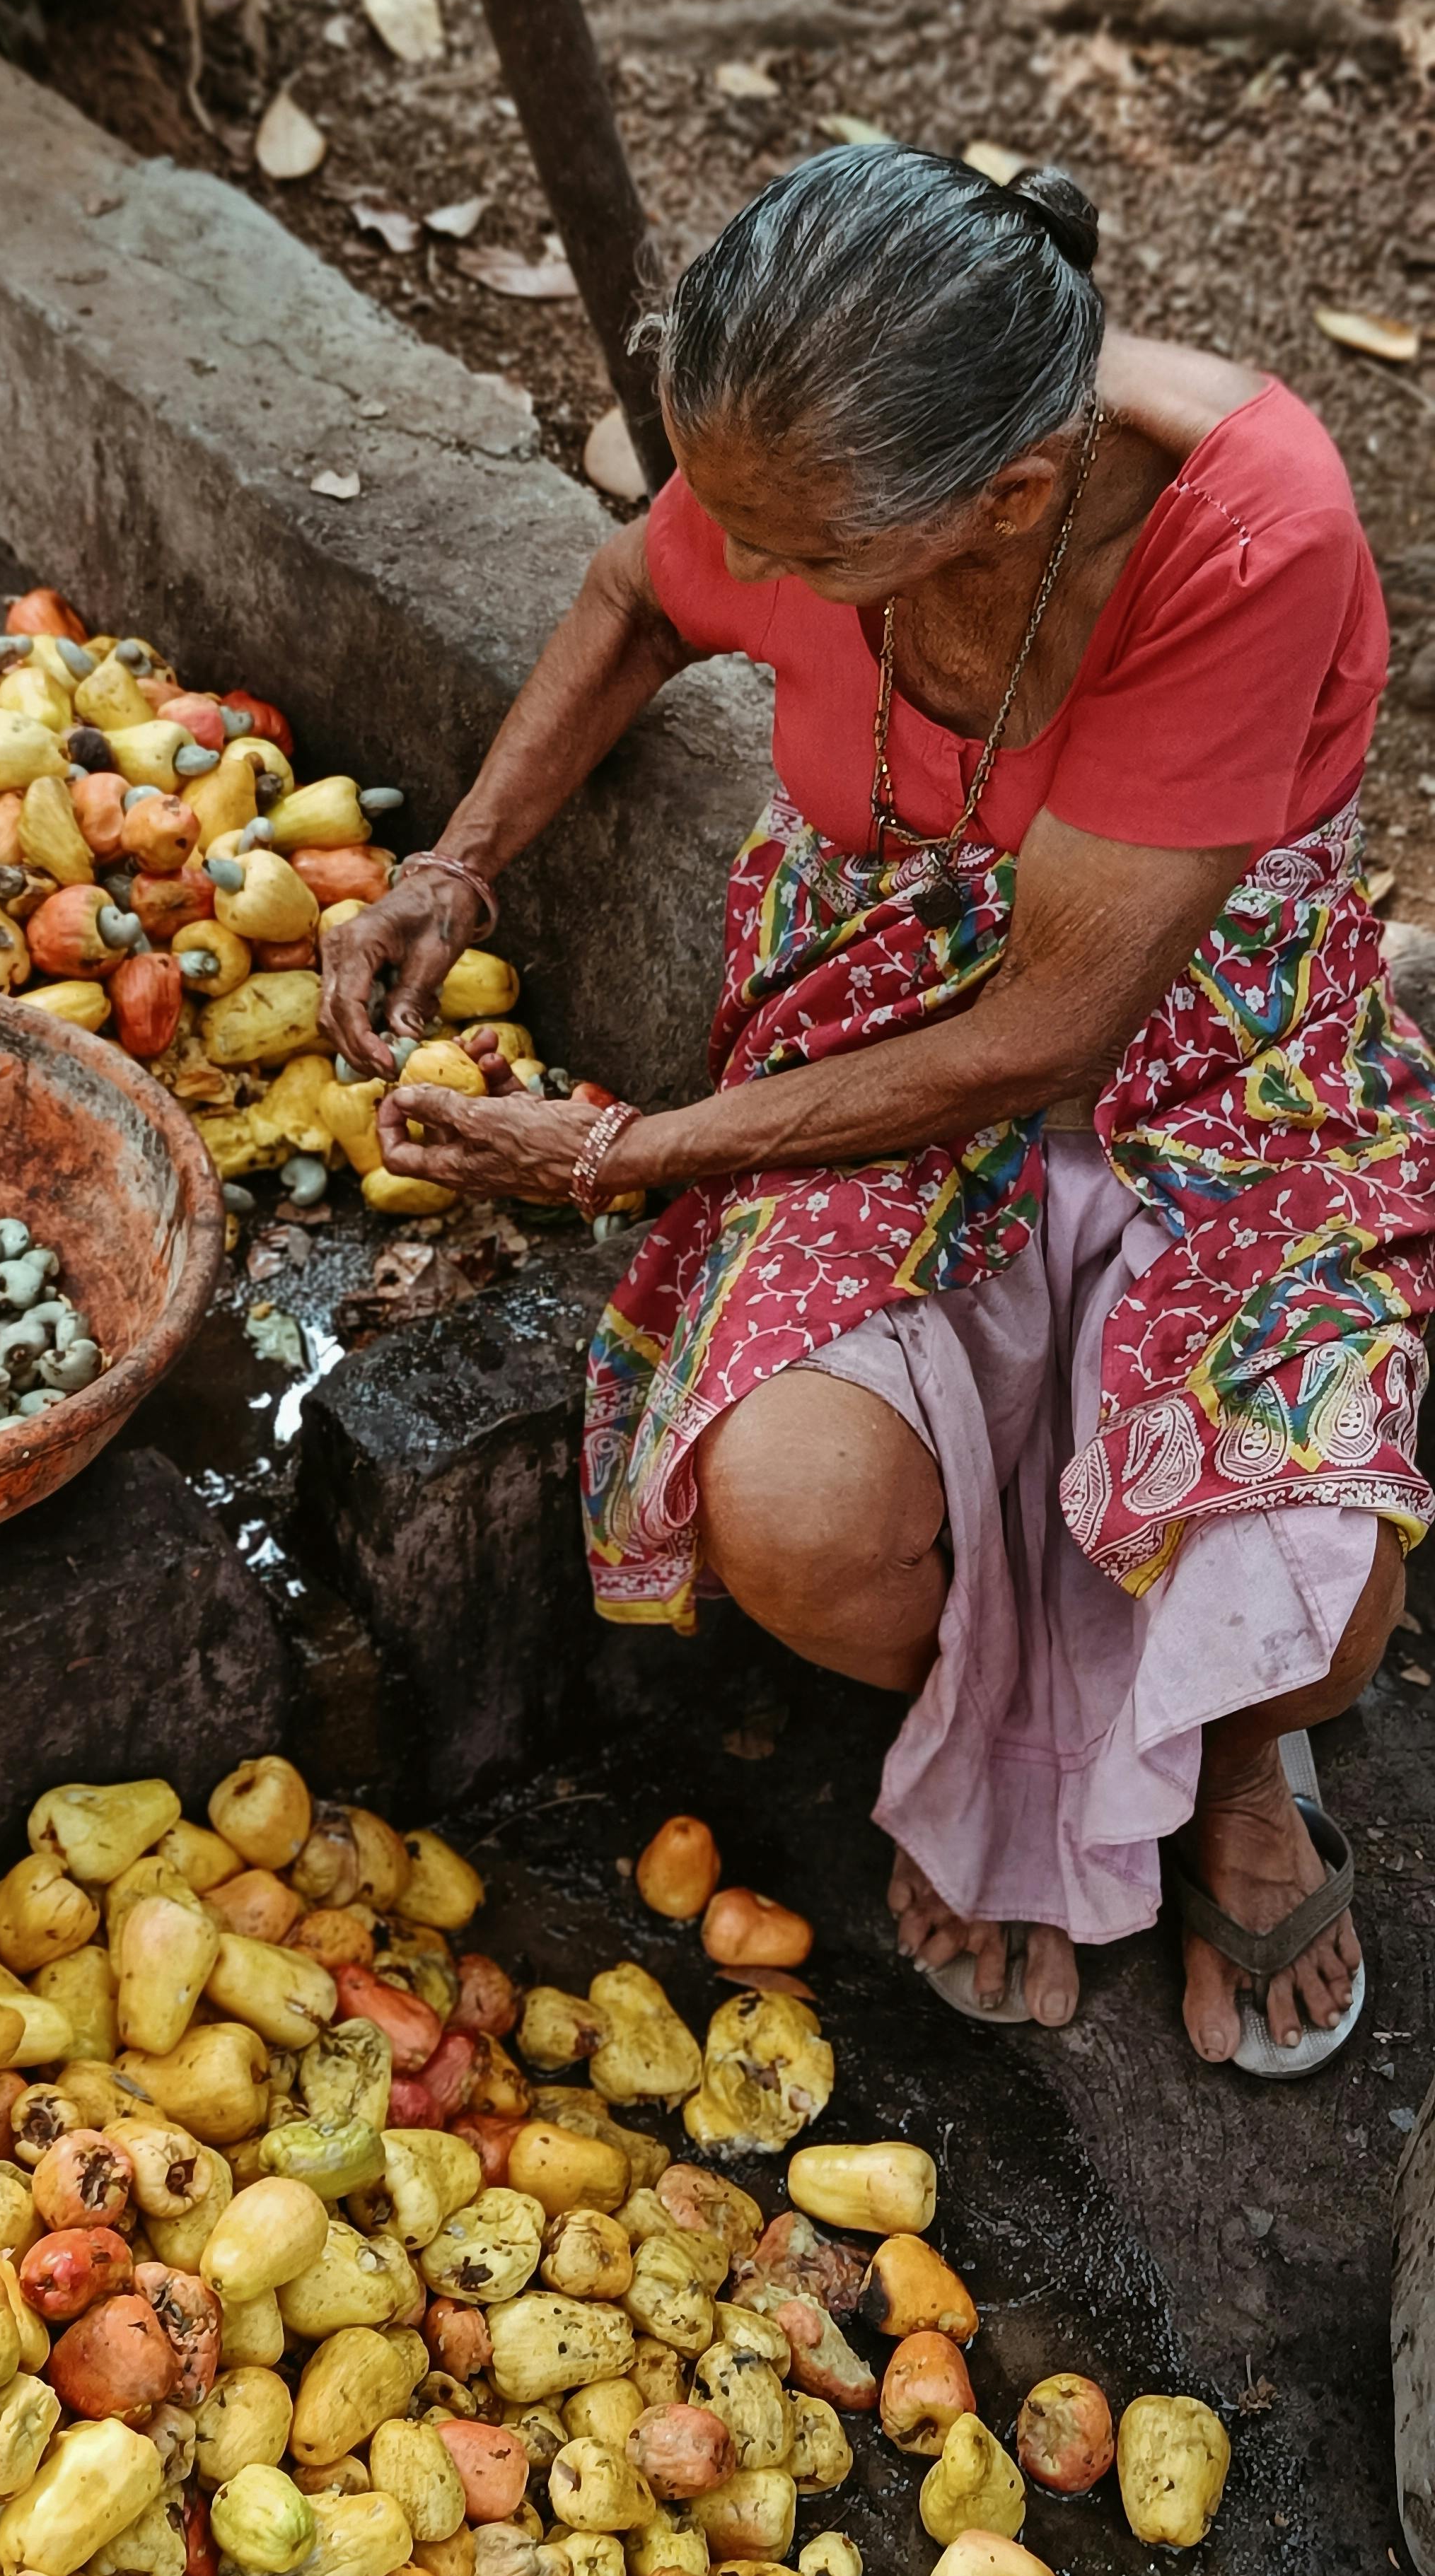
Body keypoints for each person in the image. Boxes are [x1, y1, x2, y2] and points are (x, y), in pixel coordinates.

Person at [318, 141, 1435, 2076]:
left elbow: (1045, 1045)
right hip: (876, 1039)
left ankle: (1242, 1759)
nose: (744, 576)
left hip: (1204, 1068)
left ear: (1012, 497)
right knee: (798, 1517)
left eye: (798, 556)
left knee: (1325, 1614)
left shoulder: (1252, 538)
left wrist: (622, 1158)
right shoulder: (820, 444)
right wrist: (461, 866)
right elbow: (633, 598)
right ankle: (1026, 1715)